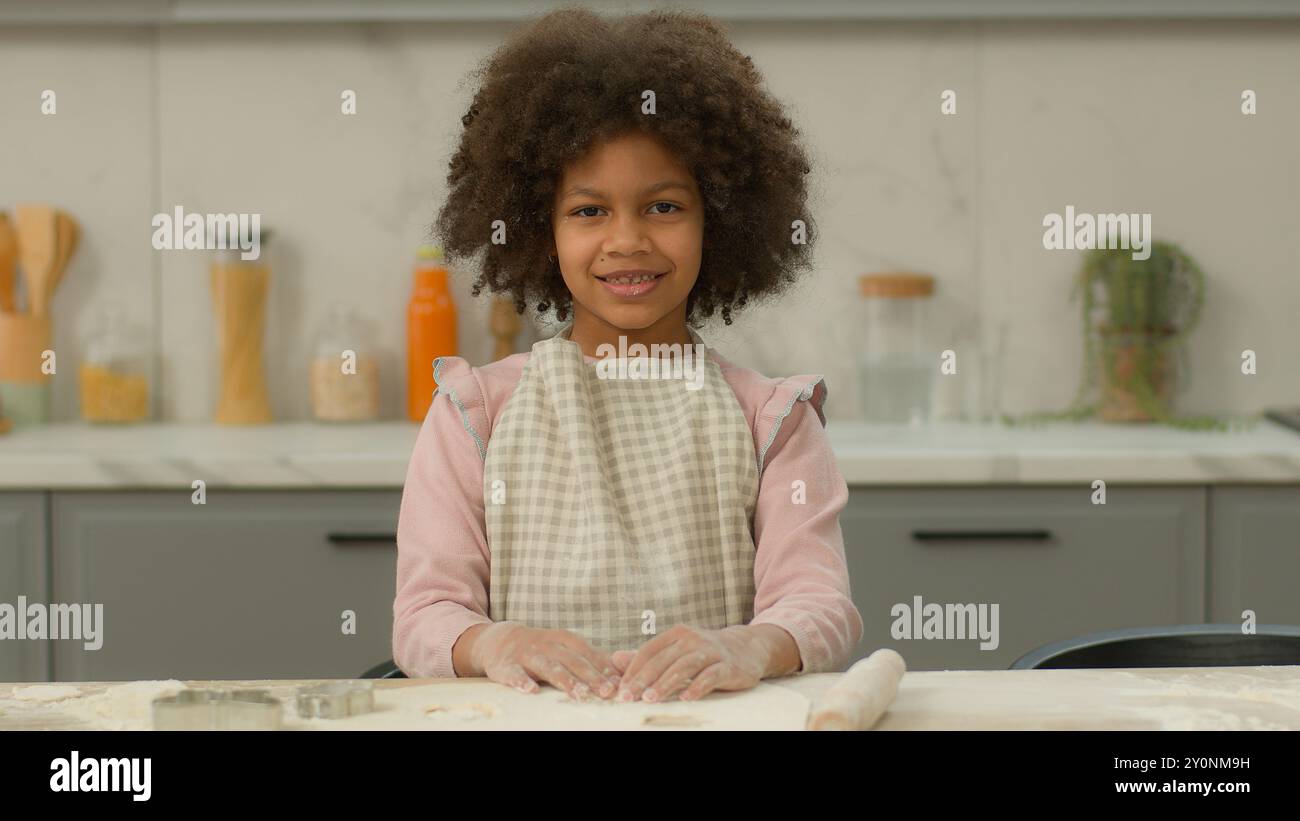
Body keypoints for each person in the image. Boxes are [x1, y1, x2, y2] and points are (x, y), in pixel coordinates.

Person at [393, 6, 862, 704]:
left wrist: (751, 644)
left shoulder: (773, 420)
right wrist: (497, 641)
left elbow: (821, 607)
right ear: (541, 231)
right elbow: (424, 617)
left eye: (664, 207)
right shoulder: (473, 415)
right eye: (589, 211)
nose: (628, 240)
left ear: (720, 220)